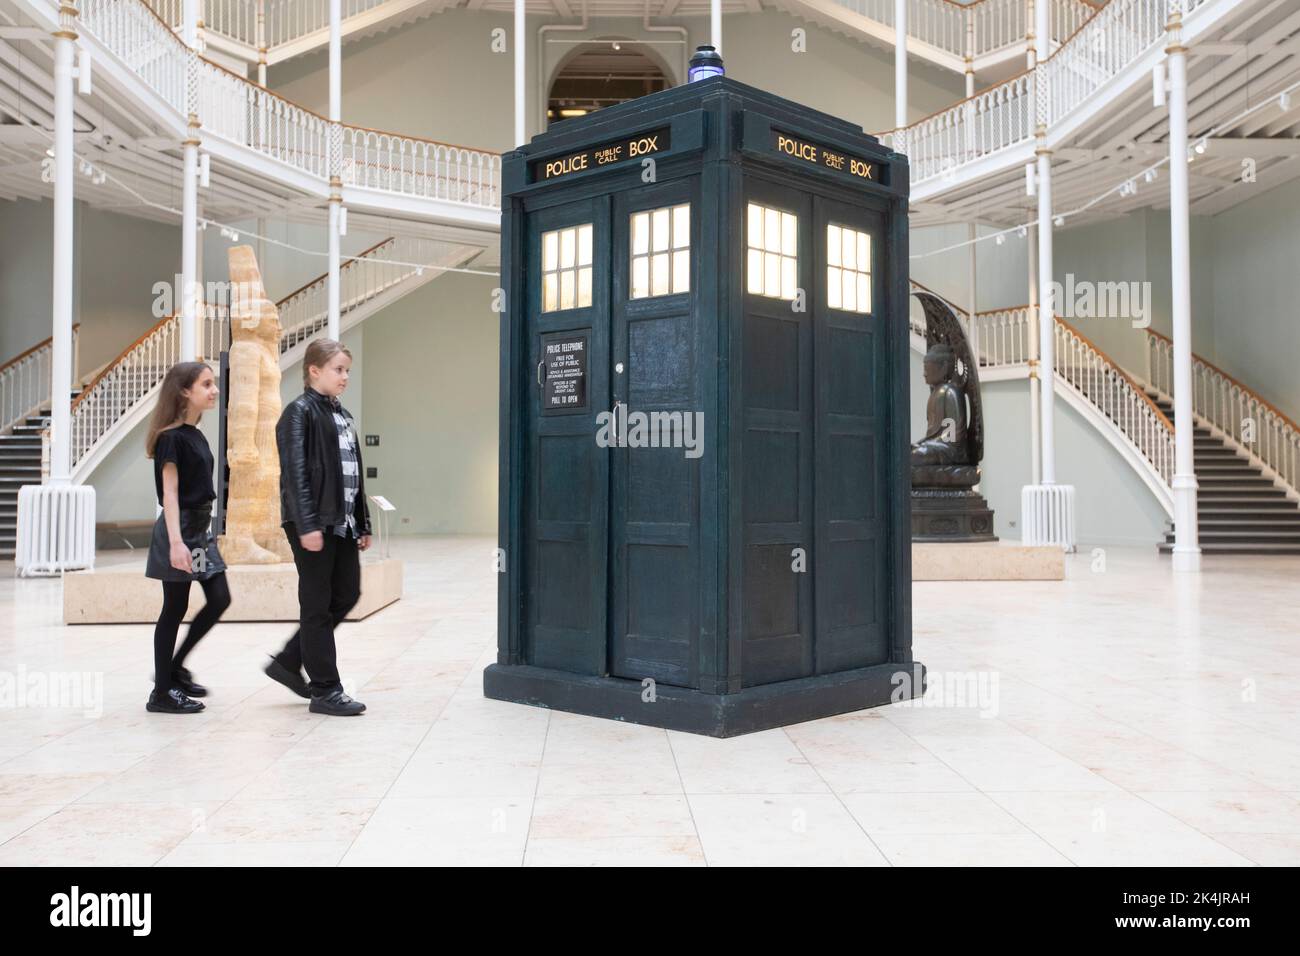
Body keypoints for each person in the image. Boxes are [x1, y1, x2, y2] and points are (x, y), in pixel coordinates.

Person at [264, 338, 372, 716]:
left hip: (340, 523)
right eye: (338, 370)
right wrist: (308, 524)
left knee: (347, 594)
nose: (344, 377)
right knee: (316, 605)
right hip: (311, 524)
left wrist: (362, 522)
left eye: (347, 371)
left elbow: (352, 472)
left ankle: (290, 659)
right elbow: (294, 475)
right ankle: (325, 689)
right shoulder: (298, 413)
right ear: (314, 370)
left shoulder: (341, 414)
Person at [143, 361, 232, 714]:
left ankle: (174, 668)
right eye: (207, 385)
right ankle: (161, 693)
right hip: (178, 532)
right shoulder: (170, 438)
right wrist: (178, 544)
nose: (214, 390)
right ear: (184, 391)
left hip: (199, 531)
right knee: (174, 608)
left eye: (213, 384)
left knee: (219, 597)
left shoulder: (195, 433)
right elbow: (170, 493)